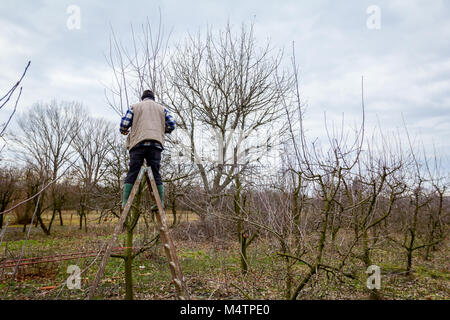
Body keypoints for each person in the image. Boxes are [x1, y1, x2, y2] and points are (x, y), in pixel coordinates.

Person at [119, 89, 176, 209]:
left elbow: (124, 124)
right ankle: (159, 203)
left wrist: (124, 131)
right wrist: (161, 129)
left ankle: (125, 202)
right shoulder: (162, 109)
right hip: (155, 145)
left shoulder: (135, 107)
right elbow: (172, 124)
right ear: (153, 98)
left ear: (142, 98)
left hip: (138, 144)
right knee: (156, 173)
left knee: (133, 171)